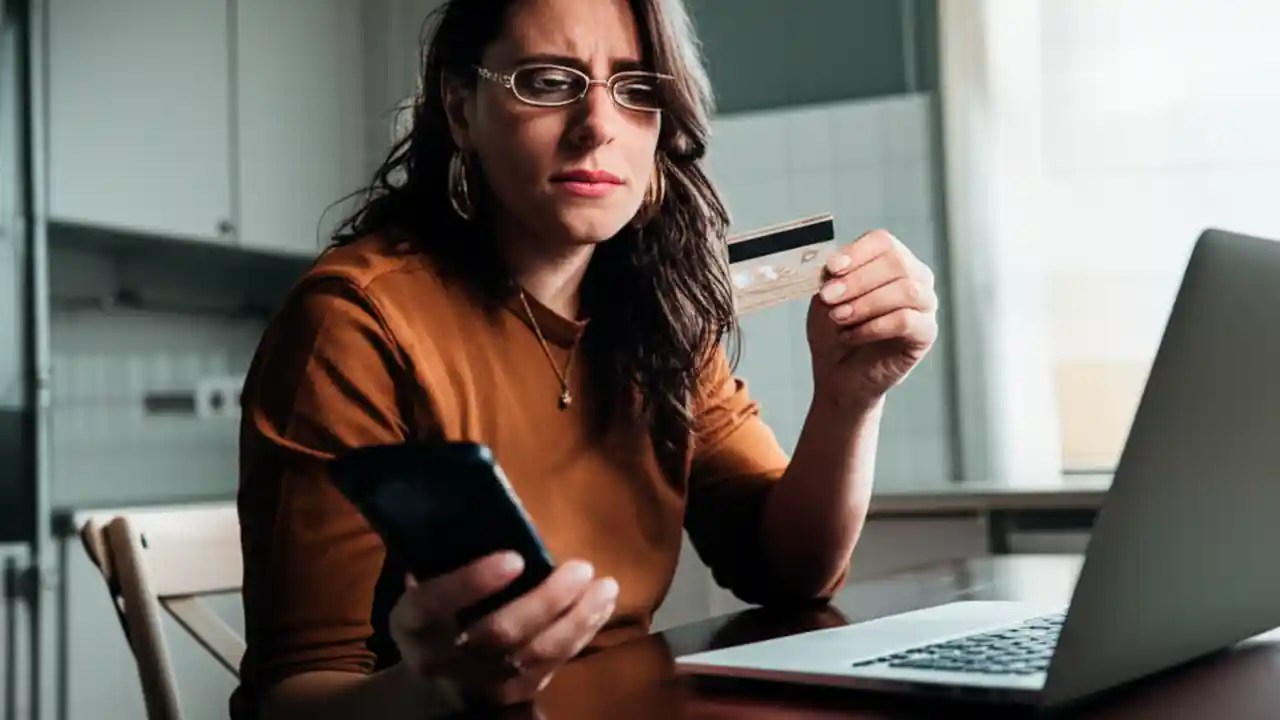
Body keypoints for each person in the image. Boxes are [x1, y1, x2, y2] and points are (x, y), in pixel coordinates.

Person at [232, 0, 939, 717]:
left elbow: (789, 573)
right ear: (460, 106)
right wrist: (434, 690)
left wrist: (850, 401)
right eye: (546, 81)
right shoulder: (354, 323)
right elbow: (289, 696)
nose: (598, 126)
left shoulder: (660, 313)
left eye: (637, 89)